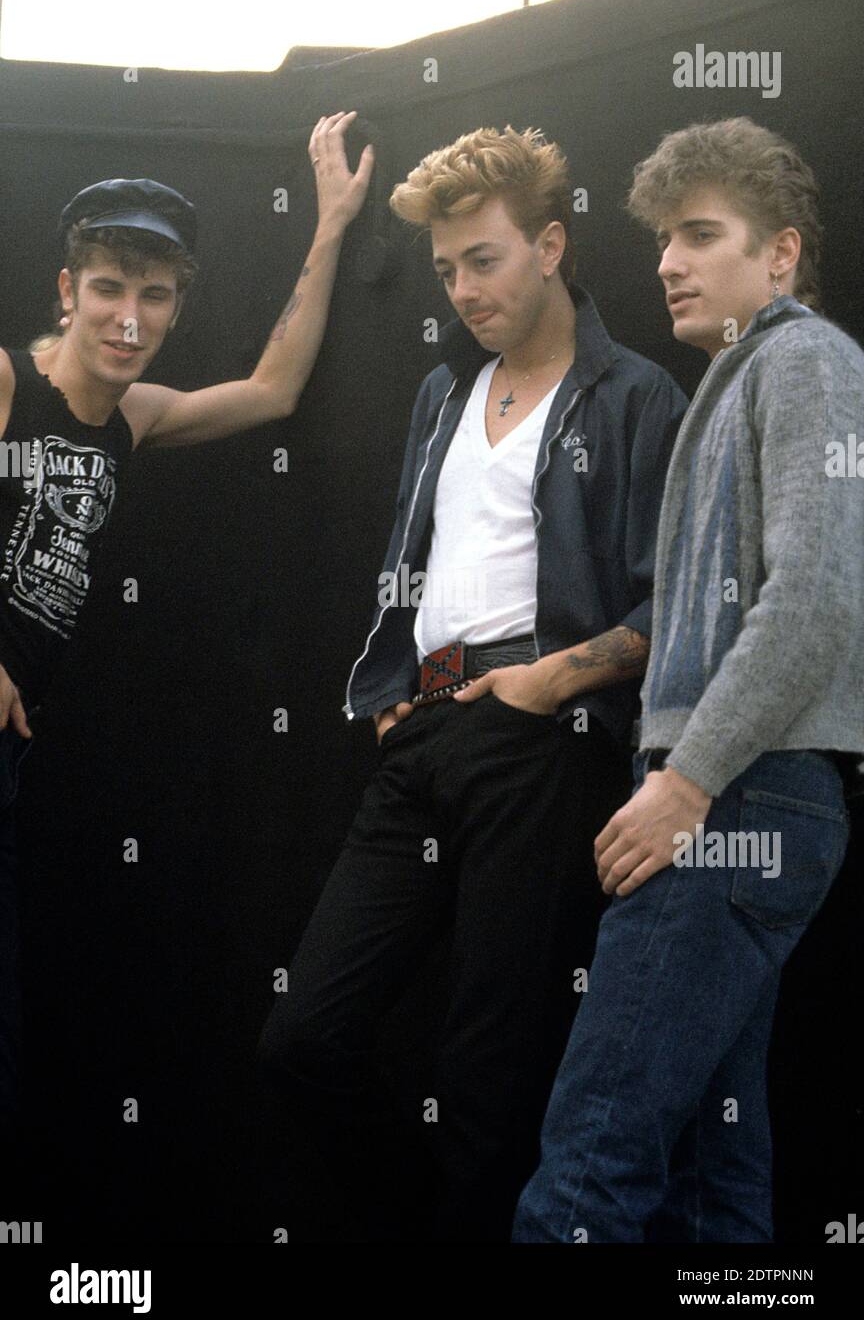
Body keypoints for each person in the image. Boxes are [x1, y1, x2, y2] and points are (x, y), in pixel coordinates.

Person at [256, 124, 688, 1242]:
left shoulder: (635, 397)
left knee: (489, 1073)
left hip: (543, 742)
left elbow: (681, 605)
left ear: (550, 245)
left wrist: (552, 680)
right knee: (304, 1041)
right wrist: (395, 679)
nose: (462, 290)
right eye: (446, 270)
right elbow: (420, 556)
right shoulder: (443, 392)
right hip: (424, 732)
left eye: (482, 260)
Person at [0, 111, 373, 1184]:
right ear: (68, 290)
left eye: (153, 295)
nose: (129, 317)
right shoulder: (12, 386)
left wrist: (332, 223)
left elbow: (273, 388)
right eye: (109, 288)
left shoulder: (131, 419)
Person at [513, 116, 864, 1244]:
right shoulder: (747, 372)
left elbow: (815, 601)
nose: (669, 260)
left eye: (702, 234)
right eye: (666, 237)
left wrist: (689, 780)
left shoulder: (807, 360)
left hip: (740, 796)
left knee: (590, 1168)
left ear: (782, 254)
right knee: (717, 1183)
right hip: (747, 795)